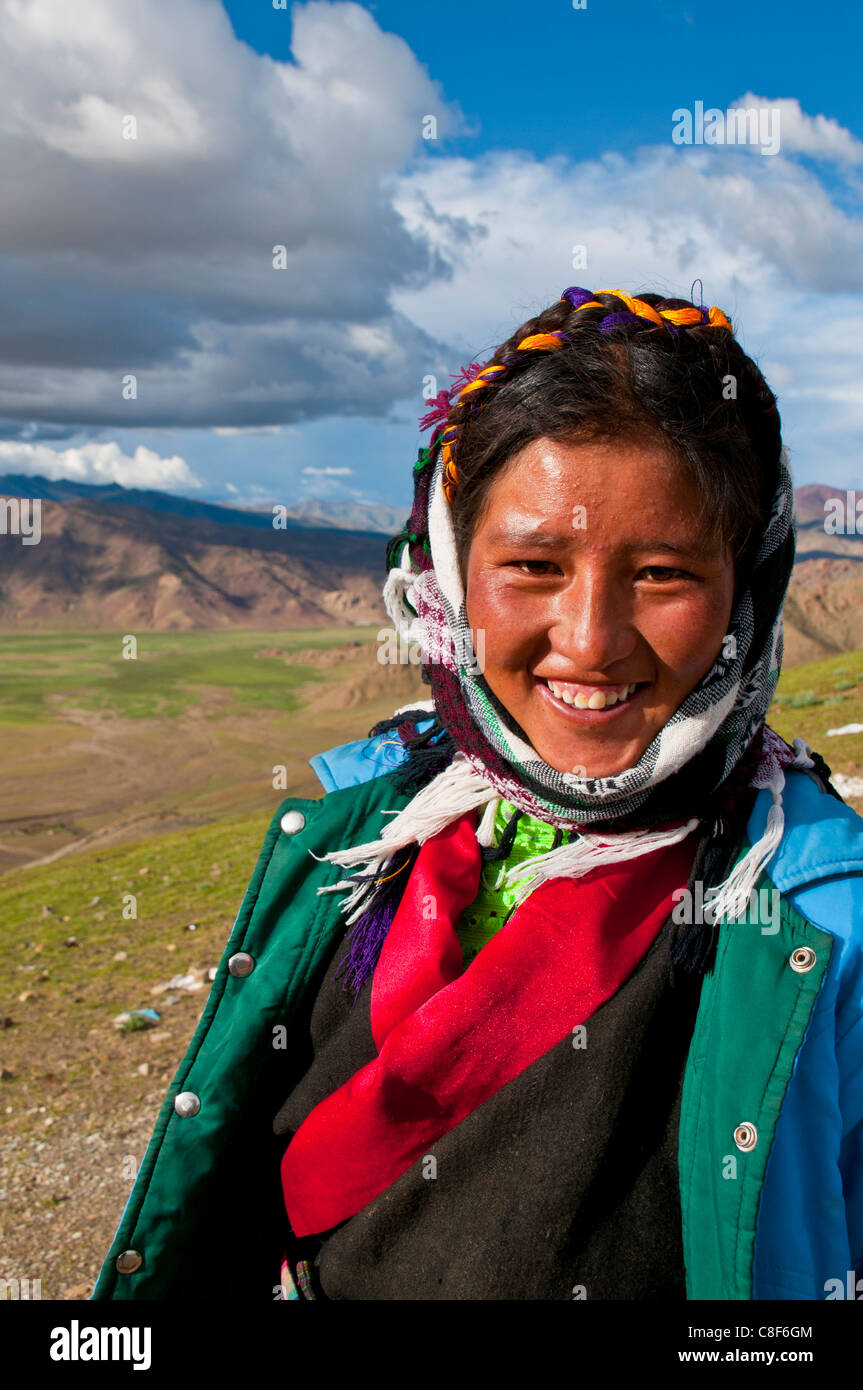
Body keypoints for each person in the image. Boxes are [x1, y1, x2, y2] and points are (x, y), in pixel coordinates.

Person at [92, 286, 863, 1302]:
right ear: (450, 576)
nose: (588, 639)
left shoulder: (821, 924)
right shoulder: (355, 835)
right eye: (532, 565)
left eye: (664, 573)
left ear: (748, 586)